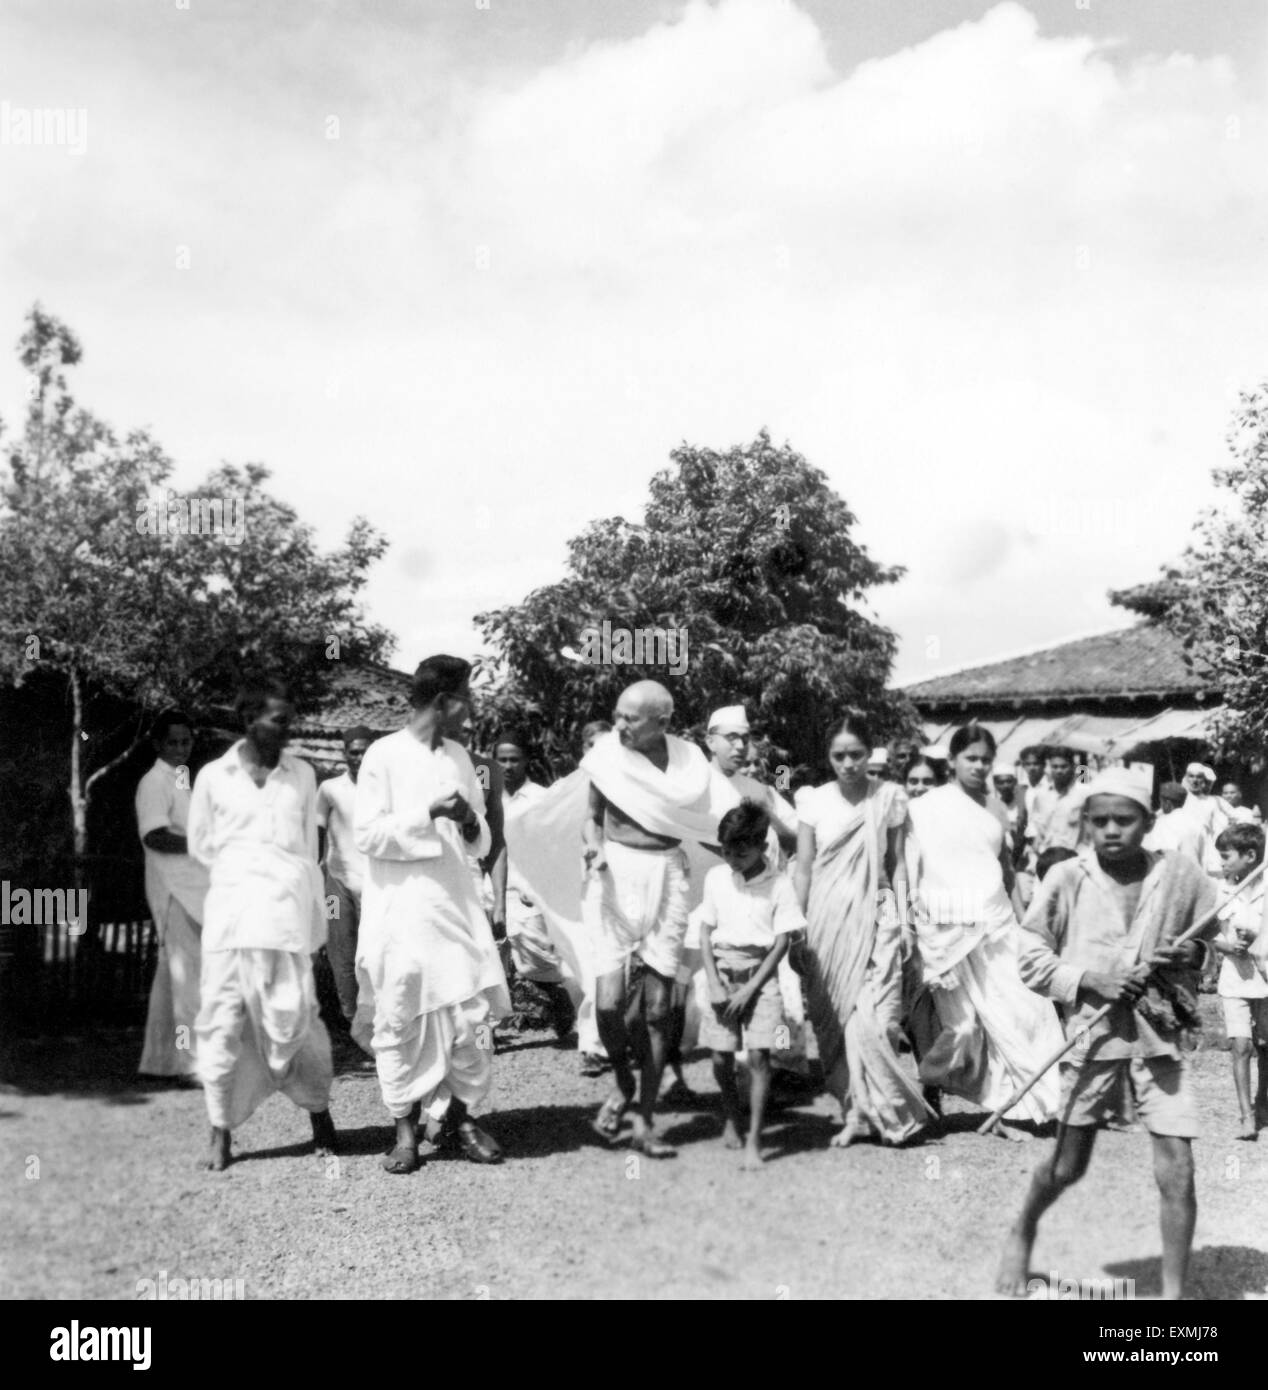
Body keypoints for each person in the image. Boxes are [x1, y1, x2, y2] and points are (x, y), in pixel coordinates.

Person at [997, 766, 1220, 1300]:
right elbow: (1029, 957)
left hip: (1159, 1037)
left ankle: (1172, 1297)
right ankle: (1022, 1227)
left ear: (1147, 821)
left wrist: (1197, 954)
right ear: (1086, 825)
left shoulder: (1182, 874)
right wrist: (1089, 978)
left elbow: (1215, 940)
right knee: (1067, 1166)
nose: (1111, 831)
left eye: (1124, 820)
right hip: (1093, 1039)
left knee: (1178, 1171)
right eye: (1100, 822)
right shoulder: (1066, 878)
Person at [352, 656, 510, 1174]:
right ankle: (405, 1130)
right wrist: (430, 814)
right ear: (443, 702)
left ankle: (461, 1118)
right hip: (401, 910)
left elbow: (481, 833)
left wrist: (467, 821)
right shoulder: (382, 755)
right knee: (402, 1014)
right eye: (467, 697)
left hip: (454, 902)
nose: (471, 709)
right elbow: (368, 835)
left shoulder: (461, 756)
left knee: (471, 1017)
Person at [187, 681, 337, 1171]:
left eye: (290, 719)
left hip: (285, 922)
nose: (288, 729)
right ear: (249, 720)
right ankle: (219, 1131)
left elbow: (307, 852)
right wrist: (245, 873)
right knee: (222, 1024)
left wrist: (301, 910)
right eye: (279, 720)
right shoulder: (213, 776)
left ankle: (320, 1114)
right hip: (231, 921)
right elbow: (200, 845)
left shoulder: (303, 776)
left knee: (297, 1021)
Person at [583, 680, 721, 1159]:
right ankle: (623, 1081)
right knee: (607, 1004)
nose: (619, 725)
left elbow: (709, 821)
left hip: (668, 875)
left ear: (661, 722)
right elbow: (591, 817)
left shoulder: (690, 764)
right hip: (614, 876)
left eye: (630, 719)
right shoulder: (604, 755)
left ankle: (644, 1120)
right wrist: (593, 846)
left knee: (660, 1010)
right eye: (617, 714)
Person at [906, 724, 1065, 1138]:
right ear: (953, 762)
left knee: (1027, 1010)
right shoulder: (927, 807)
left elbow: (1006, 871)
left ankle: (1026, 1103)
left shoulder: (996, 807)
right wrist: (908, 923)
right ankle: (986, 1104)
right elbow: (908, 868)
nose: (978, 766)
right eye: (971, 758)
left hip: (996, 925)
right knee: (962, 1027)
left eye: (985, 760)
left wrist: (1024, 923)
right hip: (945, 928)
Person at [794, 713, 932, 1147]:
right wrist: (796, 924)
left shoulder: (888, 796)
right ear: (828, 758)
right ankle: (853, 1113)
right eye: (839, 755)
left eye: (856, 754)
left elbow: (897, 863)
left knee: (880, 1018)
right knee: (834, 1019)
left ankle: (889, 1109)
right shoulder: (812, 800)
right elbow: (803, 867)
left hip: (880, 914)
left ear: (869, 753)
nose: (849, 763)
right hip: (827, 919)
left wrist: (905, 919)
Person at [703, 704, 807, 1086]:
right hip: (717, 907)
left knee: (780, 993)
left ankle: (782, 1072)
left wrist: (769, 811)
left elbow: (795, 837)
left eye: (745, 738)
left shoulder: (760, 789)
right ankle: (735, 1090)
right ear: (709, 741)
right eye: (731, 737)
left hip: (768, 903)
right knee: (719, 1005)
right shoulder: (694, 785)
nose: (740, 746)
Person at [699, 801, 804, 1169]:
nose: (733, 858)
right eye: (727, 850)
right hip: (723, 974)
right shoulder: (716, 878)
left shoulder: (779, 884)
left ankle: (755, 1140)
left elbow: (781, 943)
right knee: (719, 1056)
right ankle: (732, 1116)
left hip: (762, 978)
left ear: (762, 845)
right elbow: (705, 930)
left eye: (742, 850)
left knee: (760, 1056)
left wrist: (750, 989)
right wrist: (714, 982)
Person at [136, 710, 209, 1081]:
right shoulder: (154, 782)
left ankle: (160, 1060)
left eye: (186, 742)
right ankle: (191, 1063)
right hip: (172, 890)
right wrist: (202, 843)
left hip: (192, 887)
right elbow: (154, 835)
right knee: (188, 978)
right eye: (173, 743)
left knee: (172, 976)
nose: (181, 749)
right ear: (157, 744)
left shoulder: (181, 780)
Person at [495, 732, 576, 1042]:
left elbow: (554, 847)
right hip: (487, 891)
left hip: (525, 892)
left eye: (514, 759)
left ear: (526, 761)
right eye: (501, 760)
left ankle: (560, 1001)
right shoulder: (486, 797)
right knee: (486, 966)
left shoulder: (541, 798)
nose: (507, 766)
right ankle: (485, 1039)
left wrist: (543, 889)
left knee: (535, 963)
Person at [316, 726, 373, 1065]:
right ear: (344, 754)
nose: (359, 757)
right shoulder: (329, 789)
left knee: (372, 956)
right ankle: (352, 1020)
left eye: (364, 750)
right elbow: (316, 833)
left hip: (374, 886)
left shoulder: (384, 790)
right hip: (336, 884)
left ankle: (376, 1024)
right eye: (353, 751)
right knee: (341, 952)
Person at [1210, 823, 1268, 1139]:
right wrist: (1227, 946)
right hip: (1235, 975)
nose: (1221, 863)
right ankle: (1246, 1115)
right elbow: (1209, 935)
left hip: (1265, 974)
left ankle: (1263, 1101)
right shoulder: (1220, 890)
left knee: (1265, 1045)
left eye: (1225, 856)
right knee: (1241, 1045)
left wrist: (1260, 936)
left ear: (1250, 855)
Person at [1029, 746, 1082, 857]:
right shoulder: (1041, 795)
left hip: (1073, 857)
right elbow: (1038, 828)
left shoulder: (1081, 795)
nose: (1059, 771)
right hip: (1046, 856)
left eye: (1064, 766)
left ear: (1073, 767)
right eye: (1055, 767)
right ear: (1049, 767)